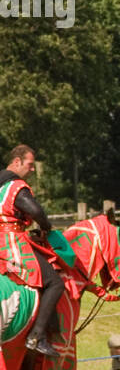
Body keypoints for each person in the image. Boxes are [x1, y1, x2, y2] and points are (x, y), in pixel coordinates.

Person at [0, 145, 64, 357]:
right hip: (10, 242)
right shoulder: (15, 186)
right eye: (30, 164)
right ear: (16, 162)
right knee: (55, 282)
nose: (33, 170)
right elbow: (36, 211)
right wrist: (46, 227)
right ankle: (36, 337)